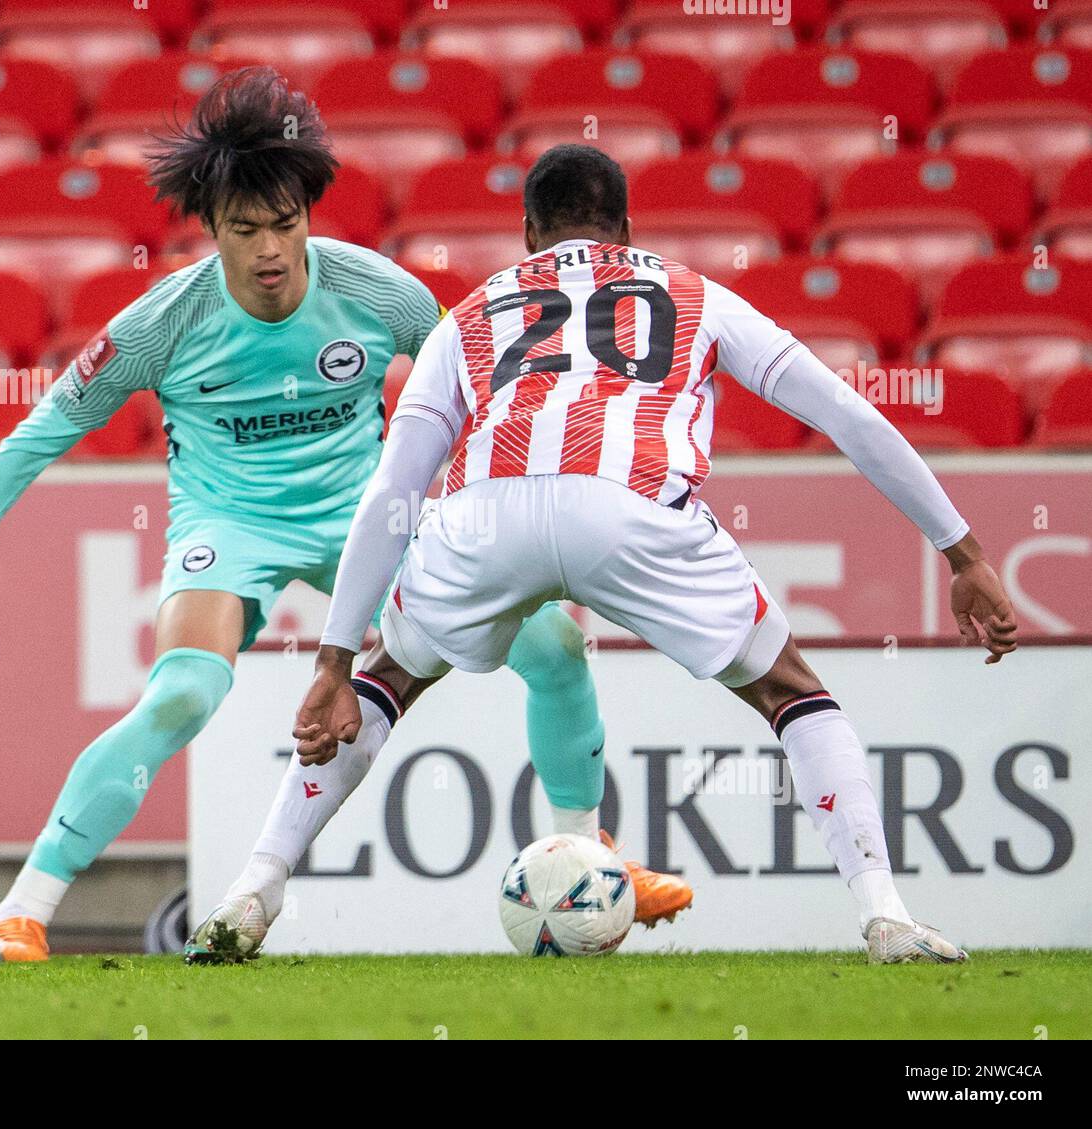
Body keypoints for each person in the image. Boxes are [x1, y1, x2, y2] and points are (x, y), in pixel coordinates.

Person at [0, 73, 685, 962]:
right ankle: (20, 910)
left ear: (308, 213)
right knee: (186, 691)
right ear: (210, 229)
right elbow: (35, 440)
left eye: (286, 223)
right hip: (227, 522)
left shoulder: (380, 293)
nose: (271, 249)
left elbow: (494, 398)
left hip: (364, 519)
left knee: (559, 650)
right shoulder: (163, 322)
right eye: (245, 229)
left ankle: (590, 854)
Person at [279, 143, 1019, 964]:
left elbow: (394, 491)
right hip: (629, 504)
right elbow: (848, 414)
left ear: (529, 232)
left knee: (382, 683)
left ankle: (256, 887)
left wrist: (334, 657)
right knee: (794, 694)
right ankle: (885, 916)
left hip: (483, 516)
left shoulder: (473, 311)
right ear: (627, 228)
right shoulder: (694, 292)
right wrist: (962, 552)